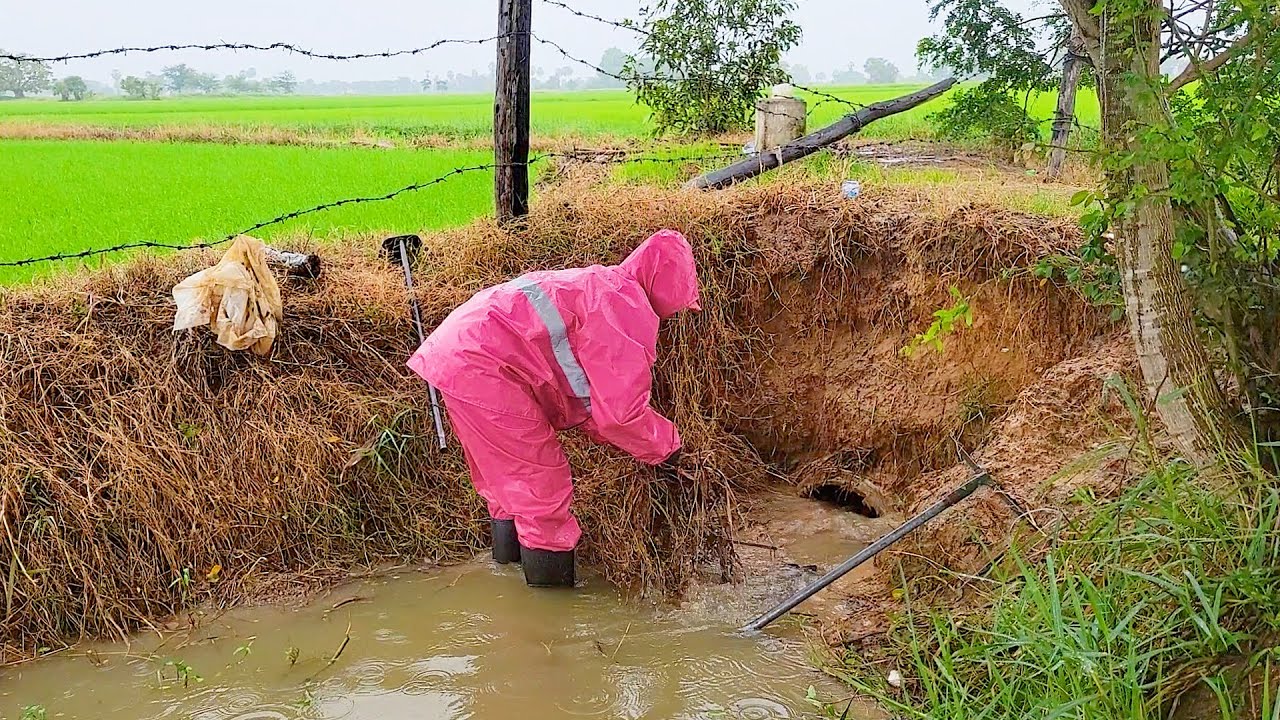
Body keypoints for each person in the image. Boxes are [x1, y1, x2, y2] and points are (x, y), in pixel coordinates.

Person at [407, 229, 699, 587]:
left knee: (504, 484)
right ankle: (551, 617)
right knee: (540, 486)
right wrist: (668, 448)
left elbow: (594, 402)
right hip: (486, 364)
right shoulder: (627, 308)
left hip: (459, 351)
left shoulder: (600, 285)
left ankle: (507, 577)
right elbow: (621, 415)